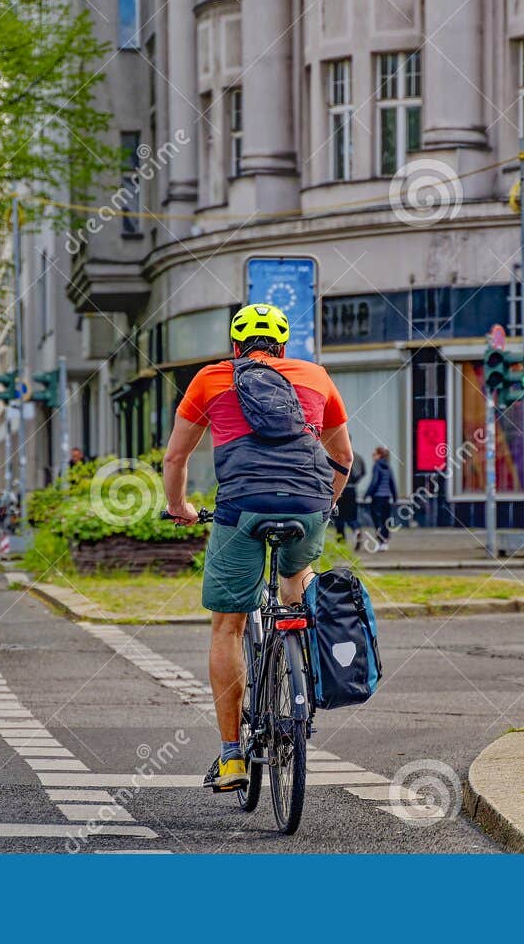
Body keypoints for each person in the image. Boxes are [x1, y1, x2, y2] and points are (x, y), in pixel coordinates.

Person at [162, 303, 353, 794]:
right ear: (285, 348)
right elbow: (343, 459)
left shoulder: (210, 379)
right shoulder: (315, 375)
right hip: (307, 506)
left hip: (241, 508)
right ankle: (301, 666)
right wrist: (322, 508)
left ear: (234, 347)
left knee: (230, 625)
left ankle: (231, 758)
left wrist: (179, 506)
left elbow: (176, 455)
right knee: (297, 580)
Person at [365, 447, 398, 550]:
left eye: (374, 454)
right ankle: (385, 542)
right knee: (385, 519)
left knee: (377, 520)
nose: (373, 456)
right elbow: (392, 482)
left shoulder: (377, 466)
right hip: (387, 497)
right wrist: (395, 496)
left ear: (379, 455)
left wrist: (367, 494)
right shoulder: (389, 467)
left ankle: (380, 540)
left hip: (377, 498)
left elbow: (374, 482)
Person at [333, 453, 364, 548]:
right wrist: (355, 481)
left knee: (339, 516)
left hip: (340, 489)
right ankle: (356, 530)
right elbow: (363, 472)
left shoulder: (336, 455)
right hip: (352, 490)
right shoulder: (358, 457)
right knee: (352, 516)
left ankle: (341, 542)